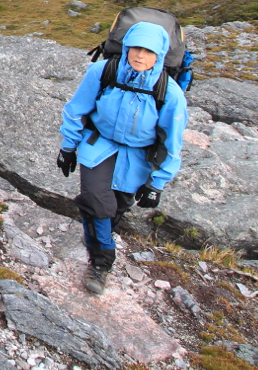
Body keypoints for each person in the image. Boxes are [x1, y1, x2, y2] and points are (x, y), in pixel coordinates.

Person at [55, 21, 187, 295]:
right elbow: (76, 109)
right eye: (135, 48)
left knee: (118, 206)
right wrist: (68, 147)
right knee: (95, 200)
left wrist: (157, 182)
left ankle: (96, 234)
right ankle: (101, 263)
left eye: (149, 51)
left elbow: (171, 142)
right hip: (98, 145)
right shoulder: (103, 72)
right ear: (126, 48)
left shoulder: (170, 92)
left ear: (159, 56)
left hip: (138, 156)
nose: (140, 55)